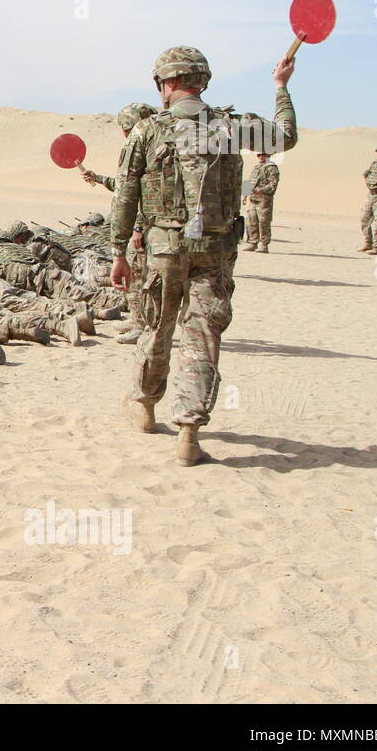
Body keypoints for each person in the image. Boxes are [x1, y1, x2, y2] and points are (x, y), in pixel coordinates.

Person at [110, 45, 297, 464]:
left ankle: (144, 403)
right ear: (201, 82)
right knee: (203, 335)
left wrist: (117, 252)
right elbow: (286, 136)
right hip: (215, 250)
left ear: (168, 83)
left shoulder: (147, 131)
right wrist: (281, 87)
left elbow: (124, 196)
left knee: (157, 328)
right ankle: (189, 432)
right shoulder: (231, 126)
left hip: (163, 250)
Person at [81, 102, 158, 344]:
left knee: (141, 279)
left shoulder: (148, 151)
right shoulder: (143, 148)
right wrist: (99, 178)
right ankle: (137, 320)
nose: (123, 133)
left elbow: (148, 195)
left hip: (142, 229)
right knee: (134, 278)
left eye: (125, 127)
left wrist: (137, 228)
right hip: (138, 228)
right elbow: (125, 186)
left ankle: (145, 326)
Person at [242, 152, 280, 253]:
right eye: (258, 155)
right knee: (251, 220)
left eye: (263, 155)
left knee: (263, 221)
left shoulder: (272, 168)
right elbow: (250, 181)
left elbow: (273, 185)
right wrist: (245, 195)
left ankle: (264, 245)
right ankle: (252, 243)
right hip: (253, 198)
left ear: (268, 155)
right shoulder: (257, 167)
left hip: (264, 199)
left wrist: (260, 190)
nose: (260, 157)